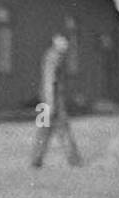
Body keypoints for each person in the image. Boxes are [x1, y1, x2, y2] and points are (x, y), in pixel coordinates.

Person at [30, 33, 82, 168]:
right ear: (57, 43)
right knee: (63, 129)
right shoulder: (53, 58)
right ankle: (74, 160)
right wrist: (51, 102)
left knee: (43, 129)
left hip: (46, 99)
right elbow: (49, 80)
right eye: (64, 42)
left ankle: (36, 160)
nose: (66, 45)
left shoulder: (53, 56)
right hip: (52, 99)